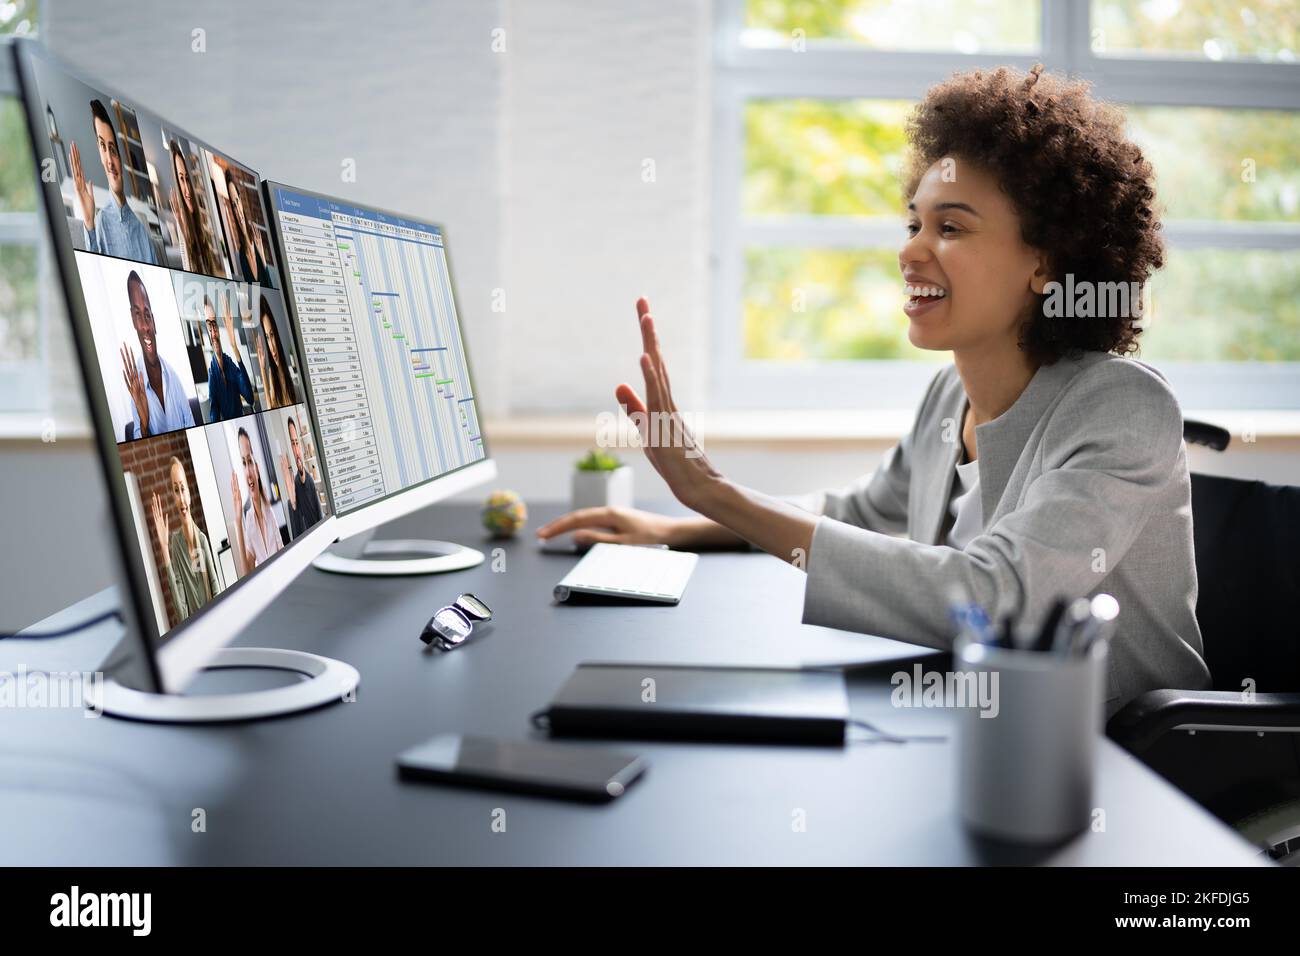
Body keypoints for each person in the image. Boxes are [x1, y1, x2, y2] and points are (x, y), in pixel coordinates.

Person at [536, 65, 1211, 713]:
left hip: (1122, 765)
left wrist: (711, 488)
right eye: (913, 223)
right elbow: (855, 513)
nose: (911, 250)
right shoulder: (948, 397)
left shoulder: (1123, 407)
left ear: (1045, 263)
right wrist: (678, 527)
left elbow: (997, 596)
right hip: (983, 729)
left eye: (950, 227)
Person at [69, 99, 157, 264]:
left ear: (120, 158)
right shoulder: (100, 223)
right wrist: (89, 223)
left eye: (112, 149)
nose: (110, 160)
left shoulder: (142, 231)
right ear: (100, 155)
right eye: (103, 147)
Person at [119, 270, 195, 438]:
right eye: (138, 315)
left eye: (147, 315)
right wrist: (144, 425)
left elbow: (191, 424)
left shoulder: (173, 377)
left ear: (154, 321)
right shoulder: (136, 387)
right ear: (132, 319)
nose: (145, 326)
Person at [150, 457, 222, 624]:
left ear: (189, 493)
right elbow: (182, 614)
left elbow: (216, 592)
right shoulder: (176, 544)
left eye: (182, 488)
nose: (181, 499)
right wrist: (164, 549)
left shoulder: (202, 541)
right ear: (173, 496)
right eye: (176, 490)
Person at [230, 425, 283, 573]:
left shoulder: (271, 510)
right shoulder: (249, 521)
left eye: (250, 461)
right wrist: (238, 521)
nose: (248, 472)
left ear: (257, 468)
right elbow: (247, 574)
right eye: (243, 463)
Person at [167, 139, 219, 276]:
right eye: (181, 180)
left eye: (187, 179)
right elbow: (191, 271)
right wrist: (182, 228)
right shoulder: (181, 224)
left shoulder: (198, 219)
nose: (187, 191)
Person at [204, 293, 256, 421]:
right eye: (208, 324)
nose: (213, 331)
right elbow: (214, 415)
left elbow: (250, 398)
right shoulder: (212, 374)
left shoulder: (230, 364)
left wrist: (234, 346)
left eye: (214, 323)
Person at [223, 165, 272, 287]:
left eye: (238, 201)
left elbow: (270, 287)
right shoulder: (242, 256)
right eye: (234, 205)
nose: (238, 209)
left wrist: (262, 259)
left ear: (241, 199)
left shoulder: (257, 241)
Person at [279, 415, 323, 536]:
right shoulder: (296, 483)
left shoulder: (308, 479)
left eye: (297, 442)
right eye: (293, 444)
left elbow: (303, 474)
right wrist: (292, 501)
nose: (296, 448)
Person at [256, 294, 296, 409]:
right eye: (267, 337)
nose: (272, 347)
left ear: (277, 335)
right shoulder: (272, 373)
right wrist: (262, 369)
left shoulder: (287, 372)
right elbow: (270, 407)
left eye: (272, 335)